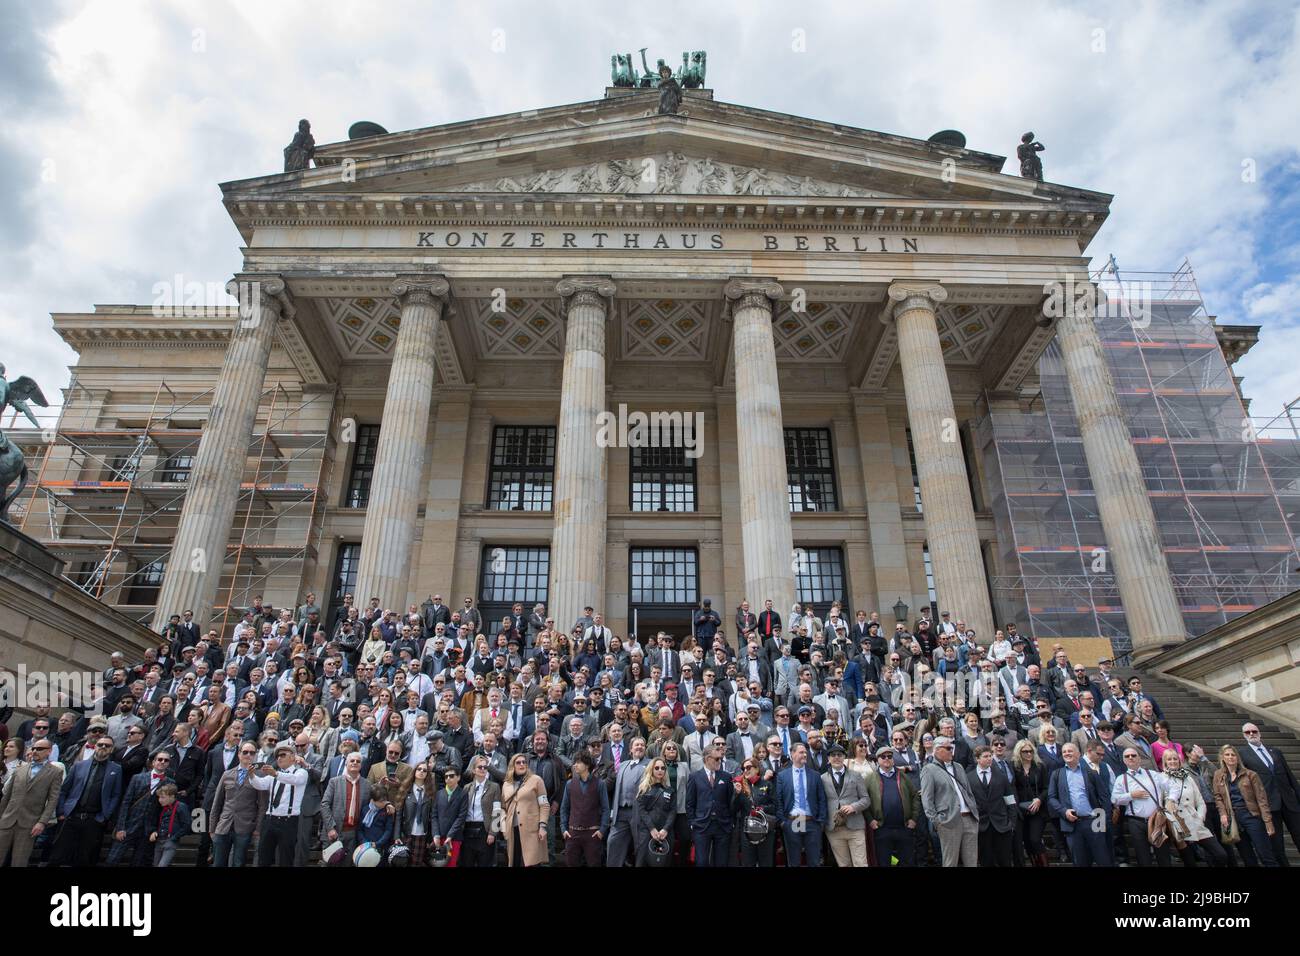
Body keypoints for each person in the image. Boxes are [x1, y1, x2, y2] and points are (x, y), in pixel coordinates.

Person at [51, 735, 123, 867]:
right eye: (100, 744)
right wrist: (62, 811)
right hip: (71, 816)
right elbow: (64, 790)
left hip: (94, 820)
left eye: (107, 746)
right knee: (58, 855)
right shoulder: (79, 765)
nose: (103, 747)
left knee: (84, 858)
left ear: (111, 749)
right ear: (95, 746)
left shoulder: (116, 769)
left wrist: (104, 816)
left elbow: (115, 795)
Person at [1237, 722, 1300, 865]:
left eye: (1254, 731)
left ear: (1259, 732)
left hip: (1289, 802)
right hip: (1268, 805)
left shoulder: (1275, 751)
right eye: (1248, 732)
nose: (1252, 734)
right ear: (1244, 736)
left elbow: (1289, 776)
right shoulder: (1242, 754)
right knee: (1277, 845)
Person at [0, 737, 62, 867]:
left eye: (39, 749)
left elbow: (53, 799)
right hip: (7, 819)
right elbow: (7, 796)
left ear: (49, 751)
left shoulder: (56, 772)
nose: (35, 751)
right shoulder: (20, 769)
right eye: (33, 748)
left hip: (29, 823)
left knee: (19, 861)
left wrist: (42, 822)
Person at [1048, 742, 1112, 866]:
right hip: (1072, 825)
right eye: (1064, 751)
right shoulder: (1057, 774)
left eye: (1070, 751)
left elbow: (1104, 797)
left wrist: (1102, 821)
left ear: (1078, 754)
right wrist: (1063, 811)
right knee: (1080, 862)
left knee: (1103, 860)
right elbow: (1052, 798)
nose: (1067, 753)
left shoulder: (1090, 772)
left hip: (1094, 822)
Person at [1212, 744, 1276, 866]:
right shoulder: (1218, 775)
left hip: (1251, 815)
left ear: (1237, 757)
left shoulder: (1250, 774)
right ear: (1222, 758)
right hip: (1234, 818)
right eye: (1227, 755)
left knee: (1264, 853)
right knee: (1246, 856)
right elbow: (1218, 797)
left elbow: (1262, 799)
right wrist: (1223, 814)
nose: (1230, 757)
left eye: (1233, 754)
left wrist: (1268, 821)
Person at [1161, 749, 1227, 866]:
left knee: (1220, 854)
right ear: (1165, 762)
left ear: (1179, 760)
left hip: (1194, 821)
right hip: (1177, 824)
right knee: (1190, 861)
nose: (1173, 761)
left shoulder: (1188, 777)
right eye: (1169, 759)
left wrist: (1200, 817)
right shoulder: (1161, 778)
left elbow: (1200, 801)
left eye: (1175, 758)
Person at [920, 735, 978, 866]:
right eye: (948, 748)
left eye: (951, 748)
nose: (951, 751)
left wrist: (974, 812)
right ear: (937, 750)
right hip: (949, 821)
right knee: (950, 861)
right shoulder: (929, 769)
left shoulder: (958, 766)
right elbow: (927, 799)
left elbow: (968, 791)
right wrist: (937, 821)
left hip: (969, 818)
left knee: (972, 861)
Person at [1112, 745, 1174, 866]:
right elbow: (1114, 799)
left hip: (1157, 820)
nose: (1131, 758)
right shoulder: (1121, 778)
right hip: (1136, 822)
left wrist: (1170, 802)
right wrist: (1131, 795)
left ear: (1139, 758)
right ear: (1124, 760)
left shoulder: (1153, 774)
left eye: (1133, 755)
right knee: (1143, 857)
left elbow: (1170, 788)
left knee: (1163, 855)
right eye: (1127, 756)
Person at [249, 742, 309, 867]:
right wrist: (251, 775)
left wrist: (276, 774)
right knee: (263, 856)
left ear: (293, 757)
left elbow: (295, 780)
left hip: (288, 821)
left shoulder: (301, 772)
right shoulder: (273, 774)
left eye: (282, 755)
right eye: (277, 756)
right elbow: (260, 784)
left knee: (285, 859)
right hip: (270, 819)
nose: (279, 758)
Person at [209, 741, 266, 867]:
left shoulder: (260, 776)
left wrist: (258, 827)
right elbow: (217, 802)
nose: (248, 755)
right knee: (218, 863)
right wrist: (212, 827)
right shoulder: (227, 774)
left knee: (238, 862)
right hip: (224, 825)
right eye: (245, 752)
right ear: (239, 754)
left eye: (252, 753)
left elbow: (262, 806)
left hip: (245, 826)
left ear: (255, 755)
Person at [776, 741, 827, 866]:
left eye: (805, 752)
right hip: (792, 821)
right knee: (794, 861)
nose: (804, 755)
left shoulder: (815, 775)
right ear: (792, 754)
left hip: (812, 822)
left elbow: (821, 799)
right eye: (801, 752)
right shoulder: (783, 776)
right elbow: (778, 800)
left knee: (814, 861)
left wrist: (820, 822)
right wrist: (783, 822)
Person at [686, 739, 734, 866]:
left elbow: (730, 801)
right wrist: (692, 822)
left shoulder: (726, 777)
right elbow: (690, 802)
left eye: (720, 758)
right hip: (701, 825)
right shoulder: (694, 777)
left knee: (721, 862)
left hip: (722, 825)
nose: (719, 761)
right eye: (716, 759)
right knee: (701, 862)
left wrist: (730, 822)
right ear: (707, 759)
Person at [822, 744, 871, 867]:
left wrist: (853, 807)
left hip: (855, 827)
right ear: (828, 758)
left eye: (840, 755)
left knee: (860, 864)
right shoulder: (822, 778)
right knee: (844, 865)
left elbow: (866, 799)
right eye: (833, 755)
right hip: (834, 829)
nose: (837, 757)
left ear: (844, 757)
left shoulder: (856, 775)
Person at [969, 744, 1015, 866]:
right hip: (981, 826)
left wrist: (1011, 822)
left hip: (1001, 825)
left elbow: (1010, 801)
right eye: (985, 756)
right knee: (986, 860)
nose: (989, 758)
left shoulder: (1001, 776)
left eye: (990, 756)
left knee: (1004, 860)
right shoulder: (969, 778)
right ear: (977, 759)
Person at [560, 751, 609, 867]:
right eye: (574, 763)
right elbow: (564, 808)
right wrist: (563, 829)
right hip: (572, 833)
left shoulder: (600, 784)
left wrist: (602, 830)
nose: (574, 765)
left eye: (578, 763)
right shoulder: (569, 784)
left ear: (587, 765)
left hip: (592, 834)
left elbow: (606, 809)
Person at [500, 753, 548, 867]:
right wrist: (503, 828)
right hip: (512, 829)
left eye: (524, 762)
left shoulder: (536, 780)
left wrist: (542, 826)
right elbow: (502, 808)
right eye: (518, 762)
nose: (522, 764)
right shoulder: (506, 784)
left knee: (532, 862)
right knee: (515, 861)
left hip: (532, 830)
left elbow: (544, 805)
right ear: (512, 765)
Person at [461, 755, 502, 868]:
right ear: (474, 770)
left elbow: (497, 811)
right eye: (480, 767)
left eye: (485, 767)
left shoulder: (494, 787)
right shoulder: (467, 787)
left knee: (485, 862)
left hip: (485, 830)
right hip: (468, 830)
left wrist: (493, 833)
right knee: (467, 862)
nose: (483, 769)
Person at [635, 756, 676, 866]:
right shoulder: (644, 788)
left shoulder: (670, 790)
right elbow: (641, 810)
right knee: (642, 861)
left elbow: (673, 811)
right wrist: (652, 829)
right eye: (656, 768)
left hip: (665, 832)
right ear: (651, 769)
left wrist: (665, 829)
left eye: (663, 768)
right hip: (647, 831)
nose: (660, 770)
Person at [431, 766, 468, 866]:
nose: (448, 778)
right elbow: (434, 816)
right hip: (439, 837)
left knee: (451, 864)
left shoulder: (463, 794)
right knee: (437, 865)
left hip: (454, 837)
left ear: (458, 777)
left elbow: (461, 817)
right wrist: (435, 834)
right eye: (446, 776)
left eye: (451, 776)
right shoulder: (439, 794)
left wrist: (450, 835)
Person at [148, 783, 190, 867]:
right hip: (159, 840)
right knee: (155, 864)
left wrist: (174, 837)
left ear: (172, 796)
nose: (160, 800)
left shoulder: (181, 807)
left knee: (162, 865)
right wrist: (154, 831)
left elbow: (187, 826)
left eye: (163, 797)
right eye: (159, 797)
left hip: (171, 841)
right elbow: (155, 822)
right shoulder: (161, 808)